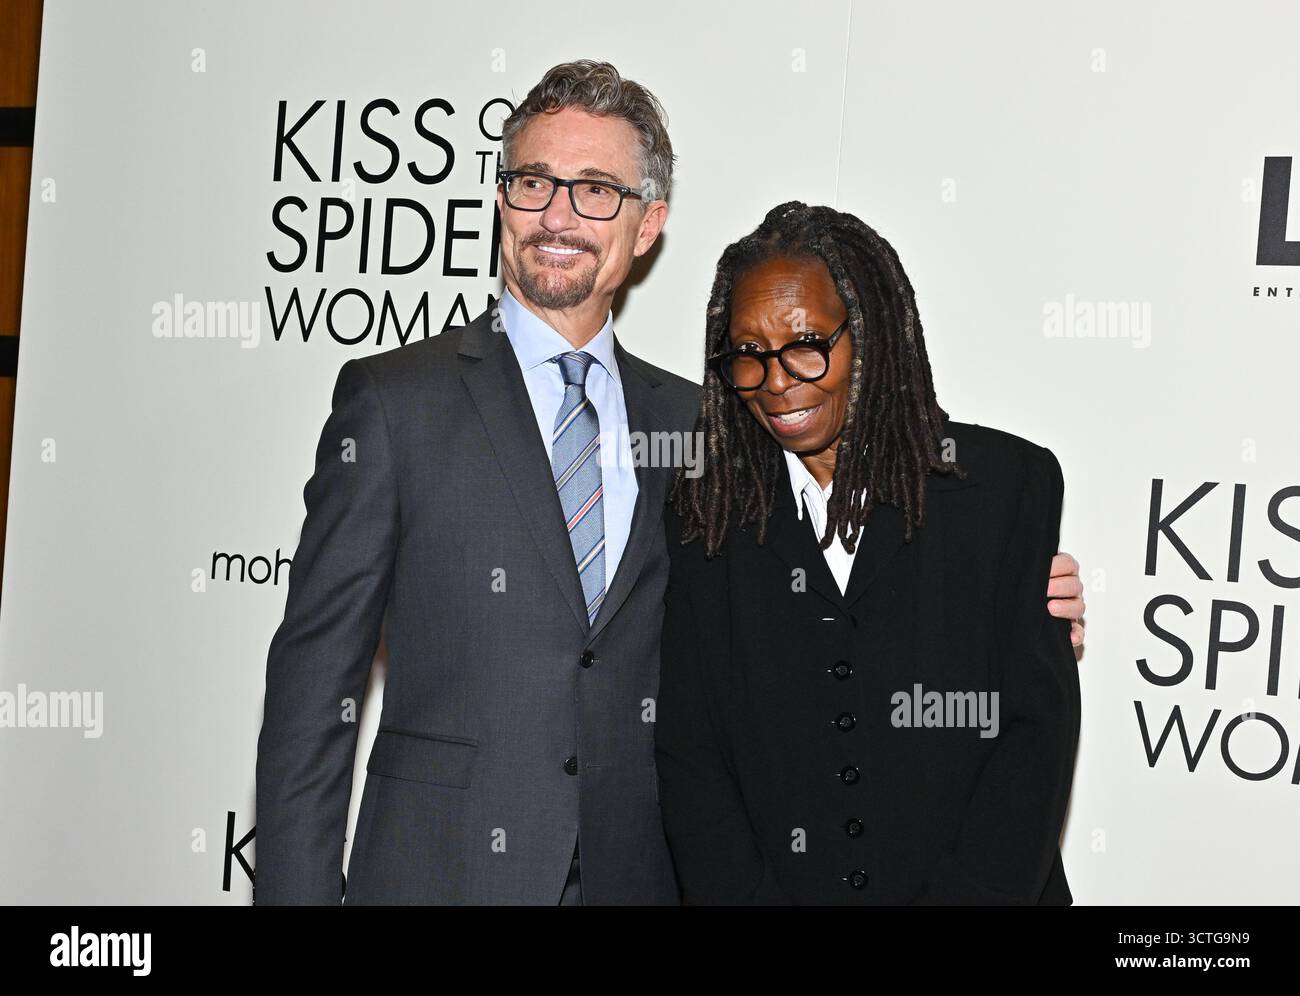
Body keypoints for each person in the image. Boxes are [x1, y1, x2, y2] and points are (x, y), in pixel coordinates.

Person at [254, 61, 1086, 906]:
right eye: (533, 182)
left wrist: (1020, 593)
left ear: (648, 223)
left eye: (595, 190)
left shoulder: (708, 431)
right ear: (501, 198)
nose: (557, 215)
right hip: (444, 880)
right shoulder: (396, 403)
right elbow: (311, 692)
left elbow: (884, 564)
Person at [655, 201, 1082, 904]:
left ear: (871, 334)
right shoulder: (707, 518)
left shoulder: (1006, 488)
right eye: (748, 355)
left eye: (806, 343)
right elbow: (691, 759)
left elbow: (1033, 746)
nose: (778, 380)